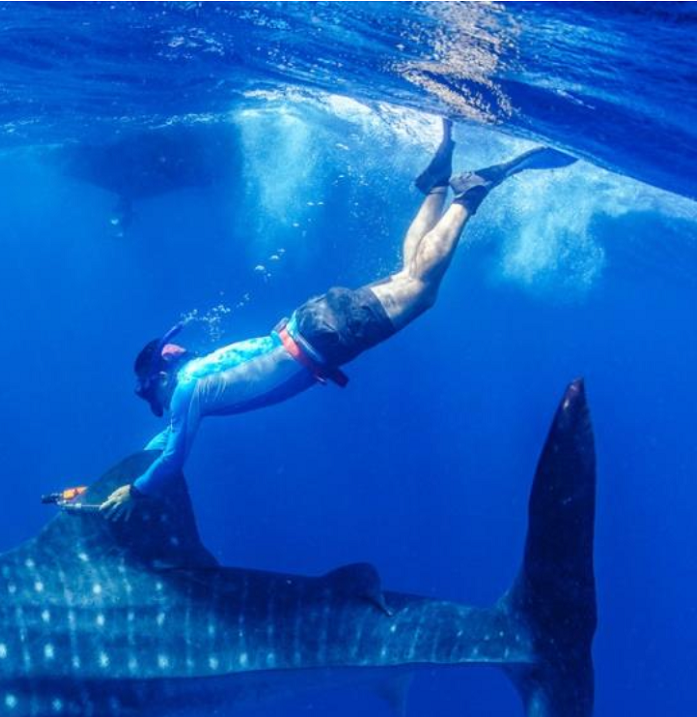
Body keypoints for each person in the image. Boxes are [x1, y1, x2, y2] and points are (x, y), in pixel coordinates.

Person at [102, 119, 573, 520]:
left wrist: (135, 491)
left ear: (158, 380)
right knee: (408, 274)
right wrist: (127, 470)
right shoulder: (195, 383)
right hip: (310, 324)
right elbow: (167, 439)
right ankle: (435, 185)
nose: (173, 357)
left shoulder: (188, 391)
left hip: (324, 339)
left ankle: (469, 194)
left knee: (422, 291)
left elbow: (173, 458)